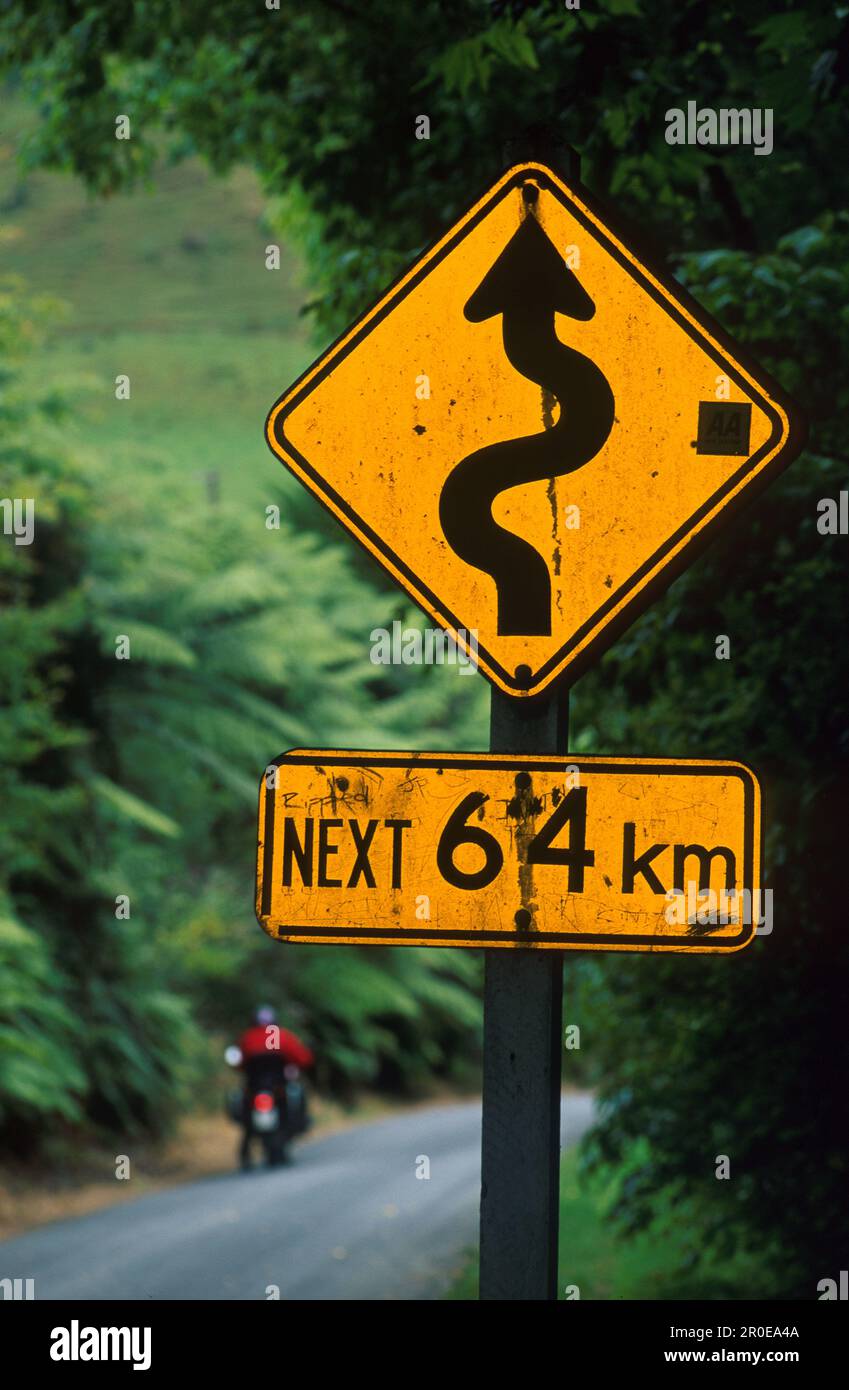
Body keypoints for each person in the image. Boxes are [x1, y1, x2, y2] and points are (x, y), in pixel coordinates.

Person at [235, 1006, 314, 1169]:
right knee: (295, 1097)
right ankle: (293, 1129)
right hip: (277, 1089)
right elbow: (303, 1058)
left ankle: (246, 1151)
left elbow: (238, 1063)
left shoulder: (247, 1037)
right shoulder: (282, 1036)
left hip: (255, 1088)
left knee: (245, 1111)